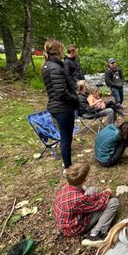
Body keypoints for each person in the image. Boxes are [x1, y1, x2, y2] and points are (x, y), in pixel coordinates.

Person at [54, 163, 119, 247]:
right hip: (74, 227)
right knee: (113, 202)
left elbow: (86, 200)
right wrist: (107, 193)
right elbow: (98, 205)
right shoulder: (78, 199)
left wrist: (101, 195)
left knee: (93, 190)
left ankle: (95, 232)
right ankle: (95, 234)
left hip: (68, 222)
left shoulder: (67, 187)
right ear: (84, 180)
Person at [42, 39, 79, 173]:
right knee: (66, 138)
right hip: (62, 108)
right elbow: (61, 92)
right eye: (62, 49)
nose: (63, 51)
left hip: (56, 107)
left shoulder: (48, 65)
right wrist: (75, 99)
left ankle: (67, 164)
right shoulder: (55, 67)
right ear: (58, 50)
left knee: (65, 137)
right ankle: (68, 167)